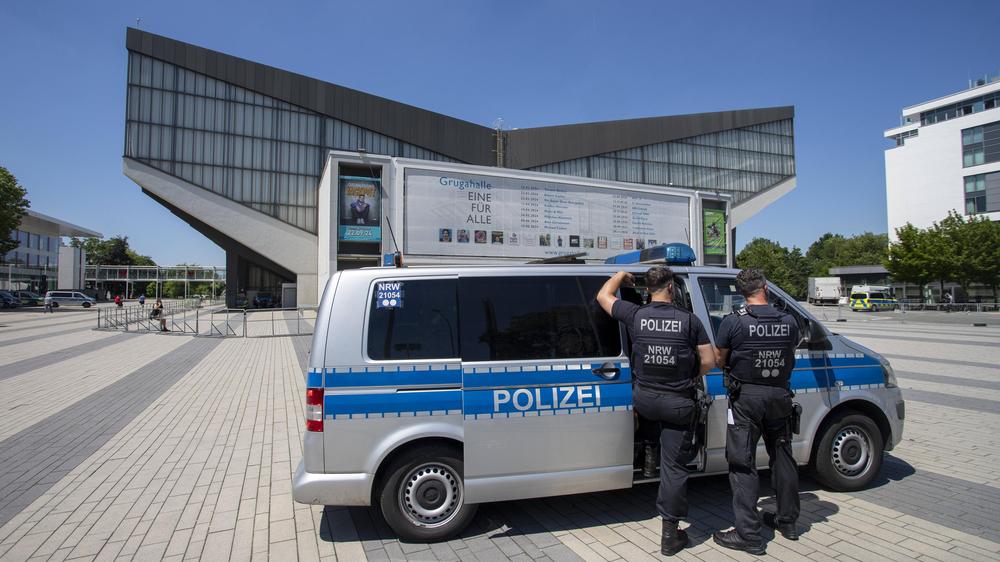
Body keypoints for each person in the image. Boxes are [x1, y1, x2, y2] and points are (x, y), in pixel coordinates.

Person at [597, 267, 715, 556]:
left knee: (651, 425)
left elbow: (603, 295)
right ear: (672, 288)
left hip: (645, 400)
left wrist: (621, 274)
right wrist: (689, 374)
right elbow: (709, 360)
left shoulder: (635, 315)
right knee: (674, 469)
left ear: (649, 290)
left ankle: (650, 457)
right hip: (677, 402)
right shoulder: (689, 321)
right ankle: (669, 534)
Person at [712, 268, 801, 555]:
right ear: (764, 287)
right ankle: (787, 522)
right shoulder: (789, 320)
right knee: (783, 457)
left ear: (741, 292)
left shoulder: (733, 323)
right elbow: (792, 350)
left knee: (742, 463)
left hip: (746, 399)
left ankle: (748, 534)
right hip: (779, 395)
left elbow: (719, 360)